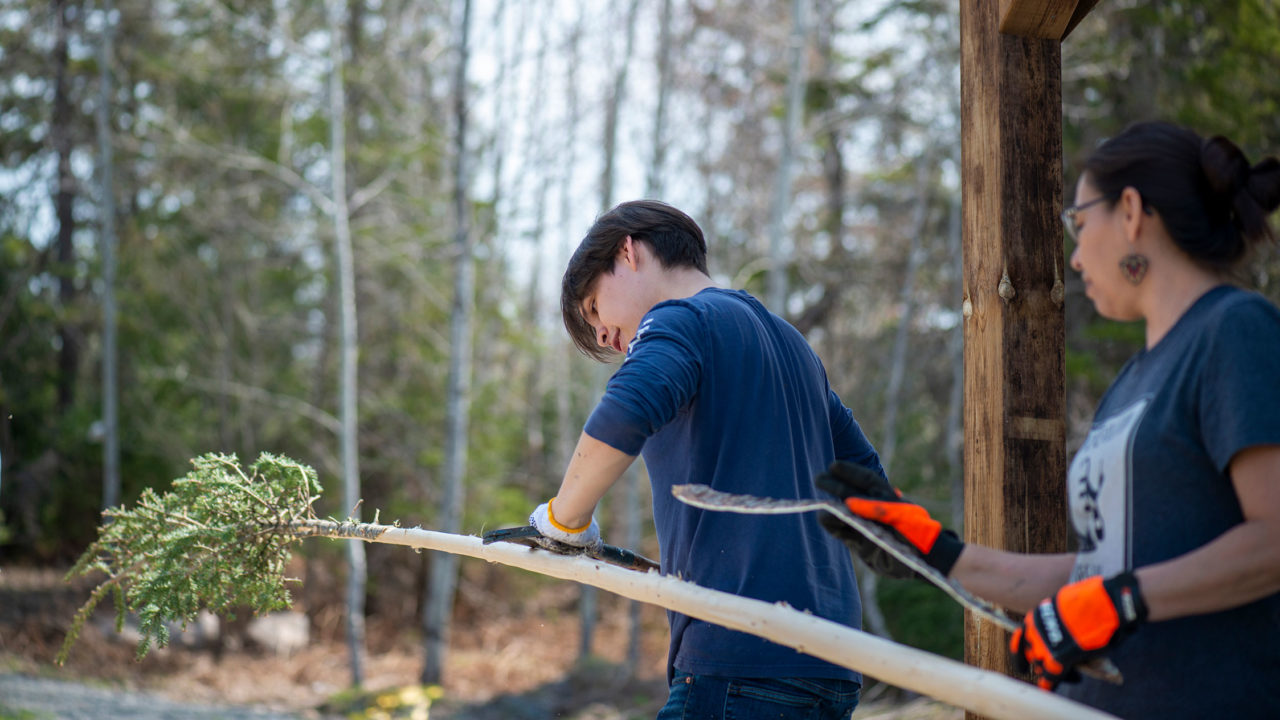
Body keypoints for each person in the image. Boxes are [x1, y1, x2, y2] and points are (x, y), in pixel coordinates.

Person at [817, 121, 1280, 719]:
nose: (1077, 255)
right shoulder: (1135, 379)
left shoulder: (1235, 330)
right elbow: (1101, 569)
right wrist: (938, 551)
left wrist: (1123, 601)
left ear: (1133, 212)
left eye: (1081, 224)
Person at [530, 199, 881, 719]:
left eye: (594, 308)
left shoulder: (683, 320)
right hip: (832, 664)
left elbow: (623, 415)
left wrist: (564, 520)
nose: (604, 335)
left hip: (740, 658)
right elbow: (869, 484)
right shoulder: (793, 345)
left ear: (628, 252)